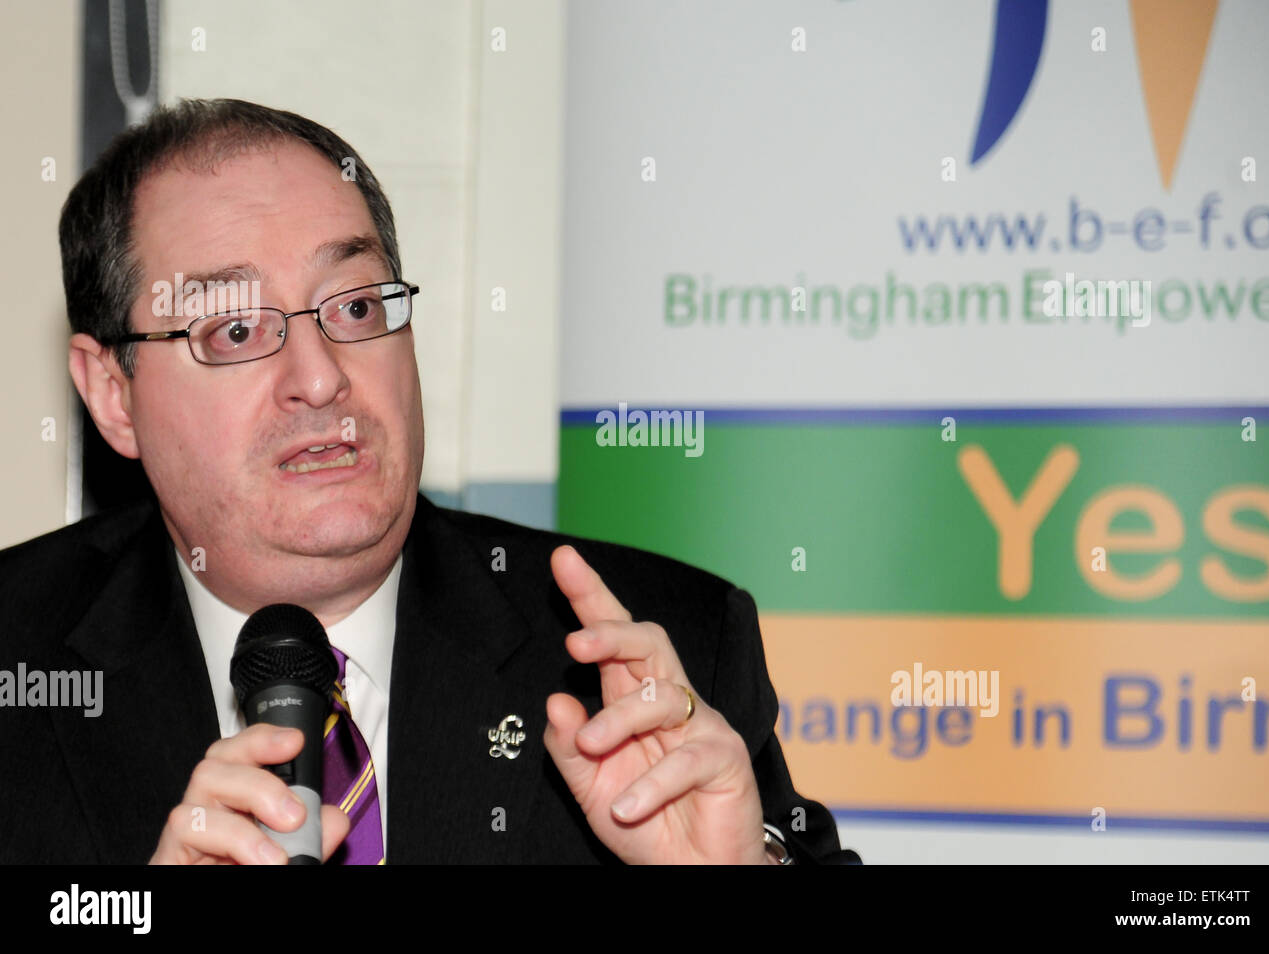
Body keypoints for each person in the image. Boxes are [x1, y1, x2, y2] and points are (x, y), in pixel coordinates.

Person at [0, 98, 858, 865]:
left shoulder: (652, 654)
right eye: (233, 331)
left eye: (356, 307)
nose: (321, 376)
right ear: (114, 395)